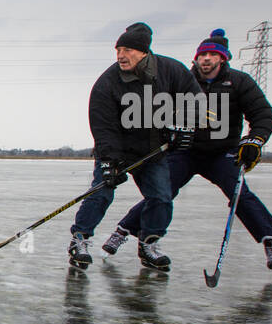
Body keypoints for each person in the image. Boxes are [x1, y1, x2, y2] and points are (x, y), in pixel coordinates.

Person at [101, 29, 272, 271]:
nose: (206, 59)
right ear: (196, 59)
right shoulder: (181, 80)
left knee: (239, 193)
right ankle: (124, 230)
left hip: (222, 153)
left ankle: (271, 241)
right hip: (185, 151)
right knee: (161, 193)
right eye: (202, 55)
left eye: (212, 54)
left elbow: (263, 115)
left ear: (223, 59)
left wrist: (255, 140)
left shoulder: (239, 82)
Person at [68, 22, 202, 271]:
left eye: (128, 50)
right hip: (116, 150)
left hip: (153, 150)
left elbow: (194, 98)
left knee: (162, 197)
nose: (121, 55)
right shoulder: (108, 82)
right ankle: (80, 239)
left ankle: (149, 244)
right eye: (118, 50)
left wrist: (182, 127)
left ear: (144, 52)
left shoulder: (171, 70)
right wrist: (109, 161)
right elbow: (102, 125)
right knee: (101, 193)